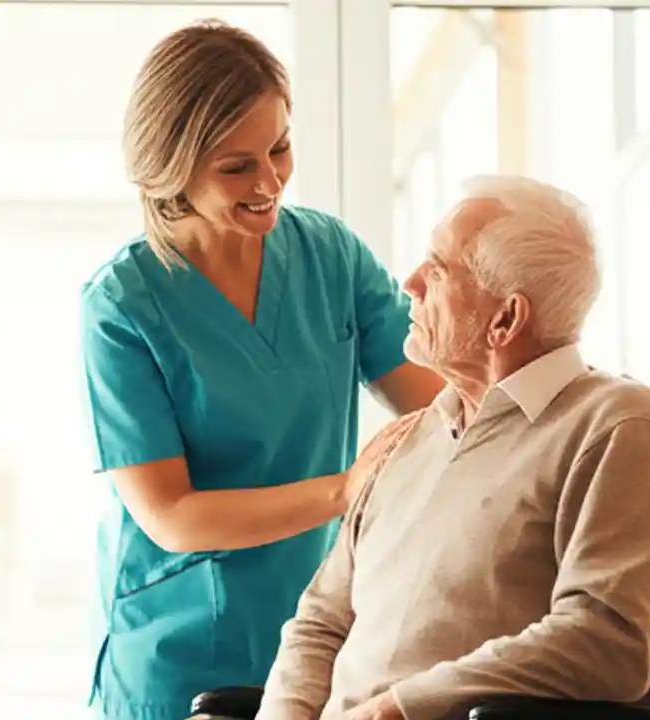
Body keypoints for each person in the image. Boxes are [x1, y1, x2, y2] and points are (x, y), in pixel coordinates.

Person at [78, 19, 445, 720]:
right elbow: (172, 515)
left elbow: (442, 401)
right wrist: (344, 491)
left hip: (318, 636)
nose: (270, 181)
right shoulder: (121, 307)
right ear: (172, 169)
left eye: (279, 148)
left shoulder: (329, 257)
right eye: (236, 166)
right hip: (177, 650)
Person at [257, 175, 650, 720]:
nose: (410, 283)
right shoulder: (412, 437)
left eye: (438, 270)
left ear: (505, 319)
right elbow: (320, 622)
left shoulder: (621, 425)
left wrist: (397, 708)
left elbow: (607, 643)